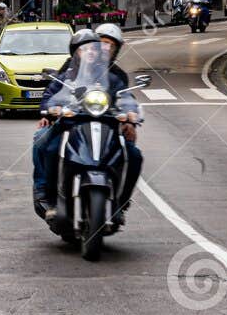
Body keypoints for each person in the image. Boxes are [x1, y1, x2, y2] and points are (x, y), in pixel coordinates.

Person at [32, 24, 143, 220]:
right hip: (73, 124)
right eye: (85, 49)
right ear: (76, 52)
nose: (92, 51)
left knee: (133, 155)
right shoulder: (68, 73)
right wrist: (49, 110)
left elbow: (126, 98)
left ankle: (120, 201)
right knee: (46, 146)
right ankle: (47, 194)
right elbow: (53, 93)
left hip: (107, 126)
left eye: (95, 48)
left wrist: (131, 115)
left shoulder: (114, 76)